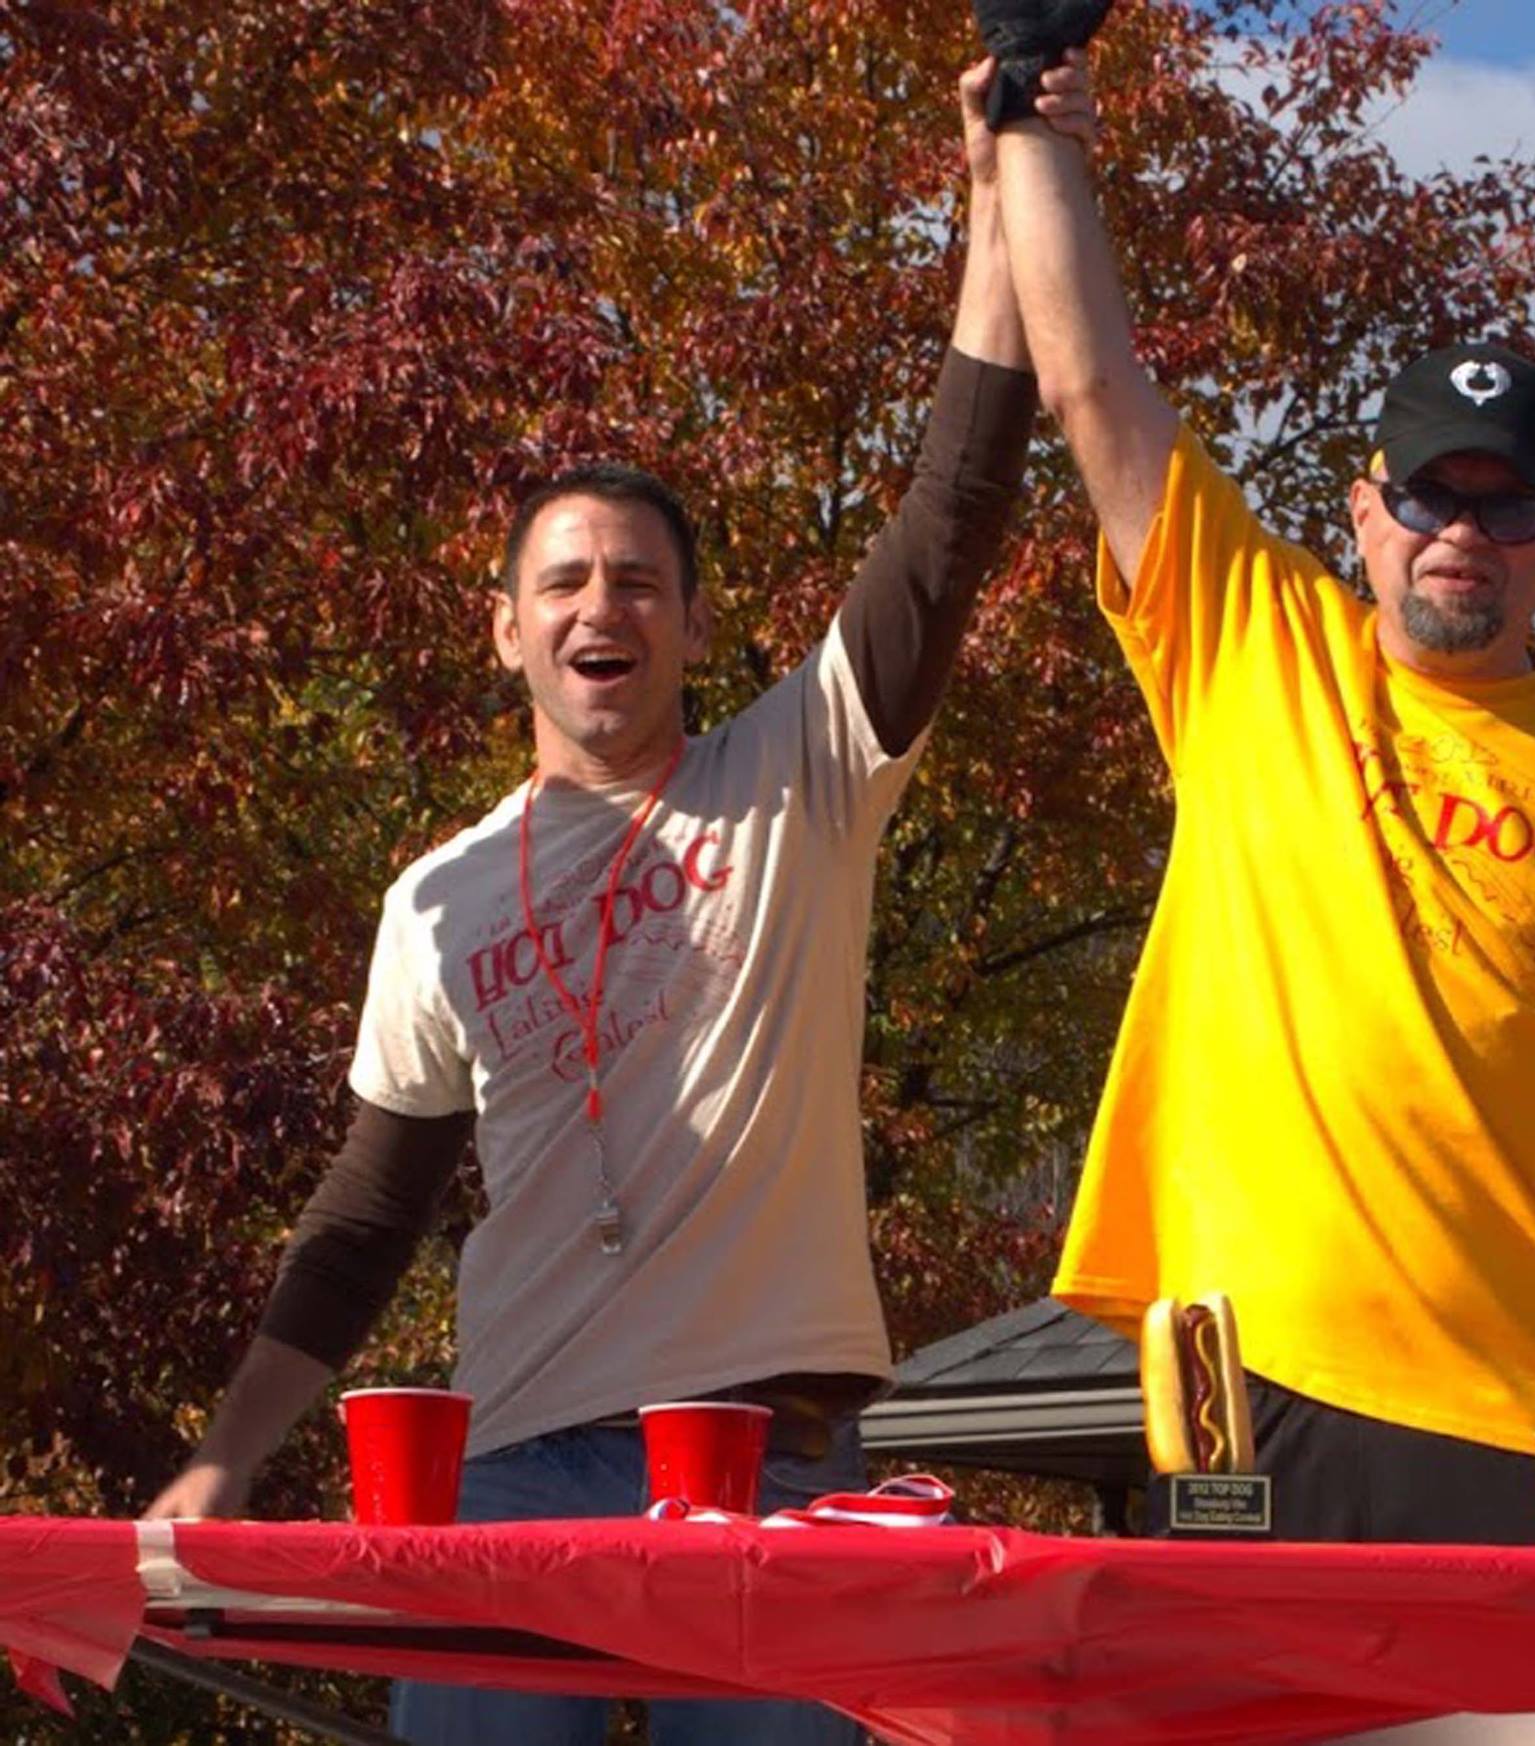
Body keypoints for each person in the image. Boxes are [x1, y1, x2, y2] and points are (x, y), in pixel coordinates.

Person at [144, 59, 1098, 1744]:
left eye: (640, 581)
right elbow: (363, 1223)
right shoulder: (434, 897)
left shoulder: (801, 768)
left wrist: (993, 187)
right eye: (565, 580)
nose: (605, 605)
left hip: (777, 1461)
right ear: (508, 629)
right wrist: (223, 1456)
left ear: (687, 623)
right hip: (515, 1463)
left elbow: (955, 503)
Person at [981, 31, 1535, 1544]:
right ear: (1363, 514)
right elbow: (1092, 387)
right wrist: (1027, 112)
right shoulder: (1252, 646)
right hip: (1242, 1378)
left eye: (1505, 499)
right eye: (1430, 493)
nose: (1465, 528)